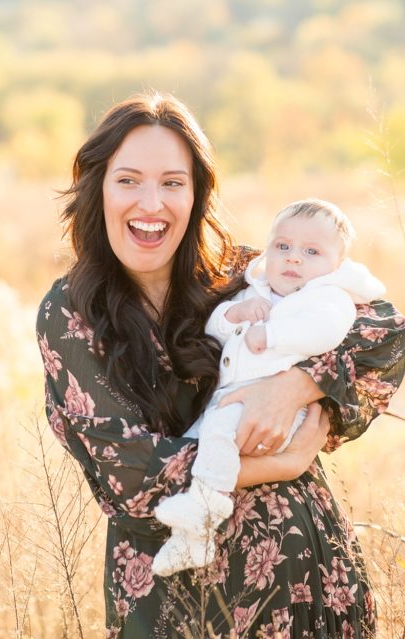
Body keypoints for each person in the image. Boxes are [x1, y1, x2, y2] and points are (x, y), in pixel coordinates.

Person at [36, 92, 405, 639]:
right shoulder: (72, 313)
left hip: (308, 598)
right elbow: (131, 477)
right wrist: (288, 461)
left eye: (172, 183)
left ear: (197, 195)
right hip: (176, 620)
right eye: (129, 181)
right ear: (96, 190)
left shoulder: (244, 274)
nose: (151, 203)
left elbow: (386, 331)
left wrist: (298, 384)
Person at [152, 198, 387, 576]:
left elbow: (325, 331)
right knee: (198, 443)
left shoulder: (328, 297)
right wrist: (236, 314)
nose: (293, 258)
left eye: (311, 251)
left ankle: (205, 510)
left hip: (277, 411)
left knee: (216, 438)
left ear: (336, 265)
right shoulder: (256, 289)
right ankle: (193, 538)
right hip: (231, 400)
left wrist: (272, 333)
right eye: (283, 246)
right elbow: (215, 330)